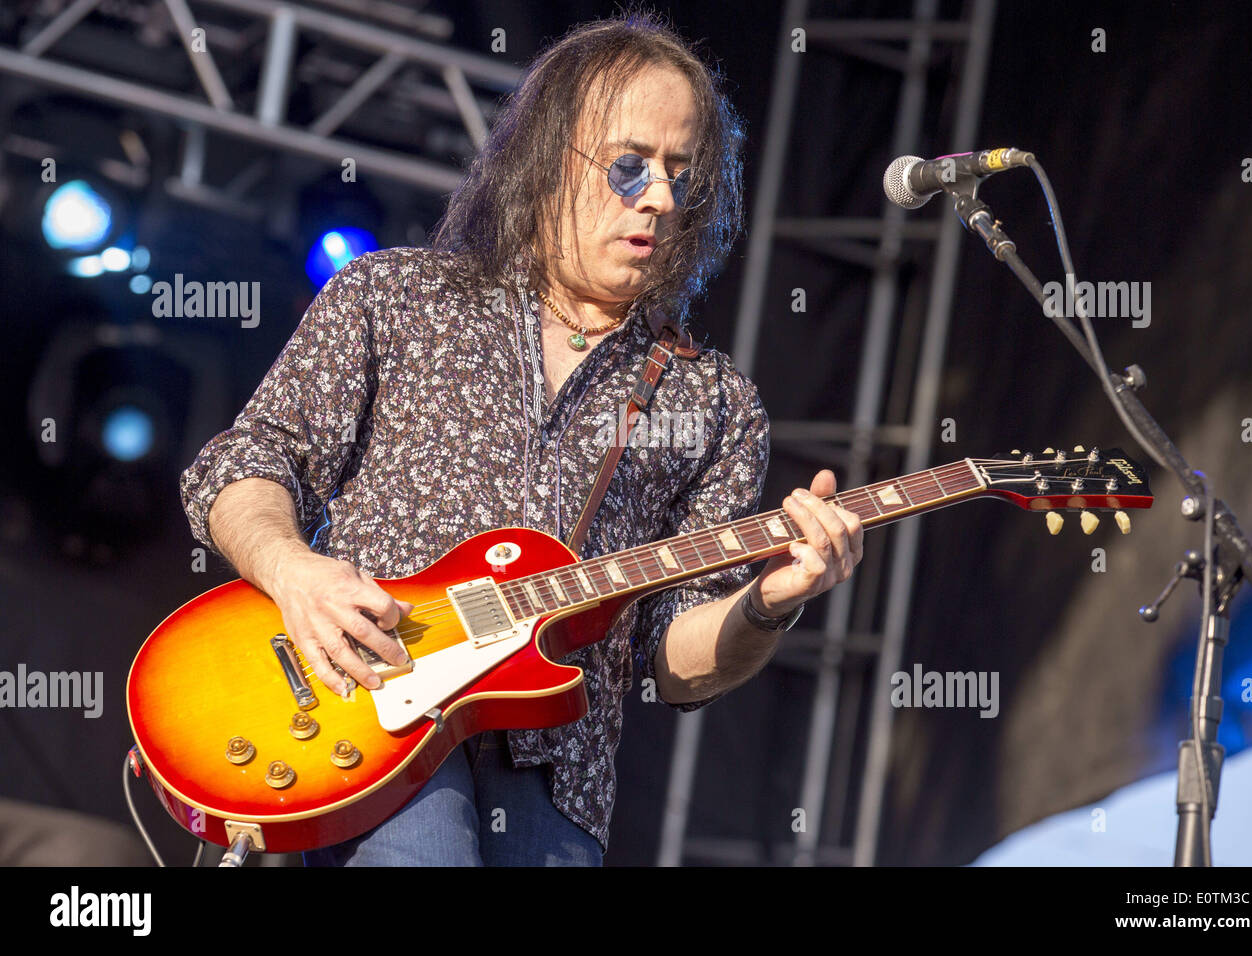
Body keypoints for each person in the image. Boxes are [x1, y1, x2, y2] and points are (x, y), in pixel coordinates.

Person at [179, 13, 864, 867]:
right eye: (628, 165)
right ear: (548, 160)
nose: (657, 196)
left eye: (680, 175)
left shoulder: (716, 401)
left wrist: (773, 600)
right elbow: (243, 463)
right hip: (365, 711)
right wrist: (292, 570)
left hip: (556, 781)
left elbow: (674, 661)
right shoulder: (397, 296)